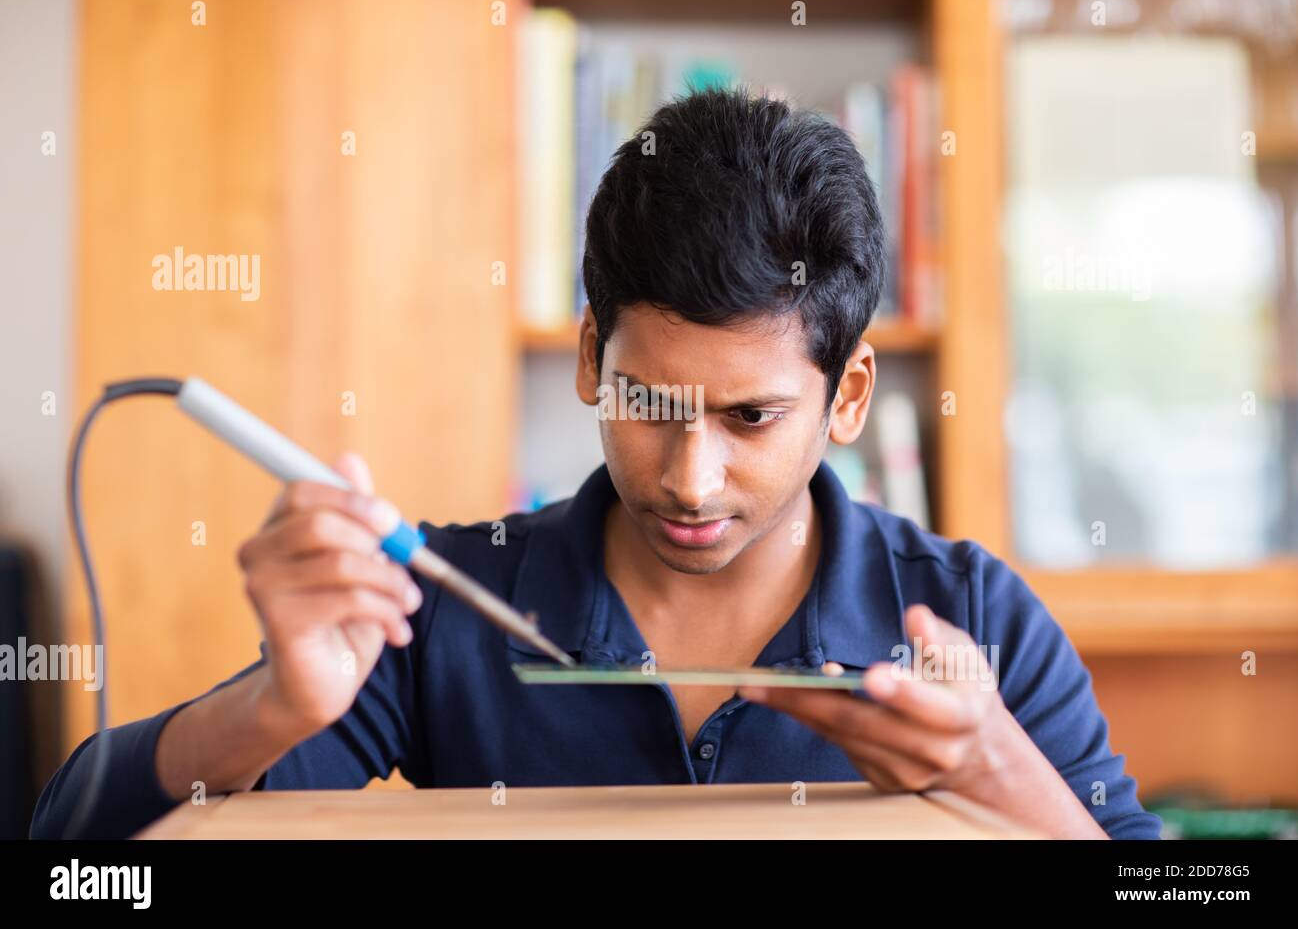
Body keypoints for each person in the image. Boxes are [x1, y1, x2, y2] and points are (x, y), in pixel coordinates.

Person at [31, 87, 1160, 840]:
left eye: (751, 418)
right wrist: (271, 707)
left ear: (848, 394)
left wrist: (993, 772)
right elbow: (73, 847)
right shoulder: (430, 613)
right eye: (647, 401)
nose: (689, 476)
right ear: (589, 355)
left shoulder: (969, 613)